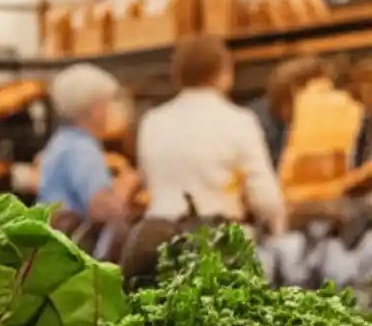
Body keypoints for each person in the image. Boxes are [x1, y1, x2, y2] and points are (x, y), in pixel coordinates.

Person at [138, 35, 287, 234]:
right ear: (224, 74)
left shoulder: (152, 121)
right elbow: (265, 197)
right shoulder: (238, 120)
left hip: (158, 236)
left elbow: (149, 180)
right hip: (215, 238)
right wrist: (279, 231)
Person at [38, 64, 140, 222]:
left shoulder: (61, 142)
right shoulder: (82, 149)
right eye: (107, 102)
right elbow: (102, 209)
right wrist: (128, 184)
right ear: (93, 108)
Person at [246, 56, 332, 166]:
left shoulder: (307, 122)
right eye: (321, 94)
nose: (327, 102)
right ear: (295, 91)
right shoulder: (252, 126)